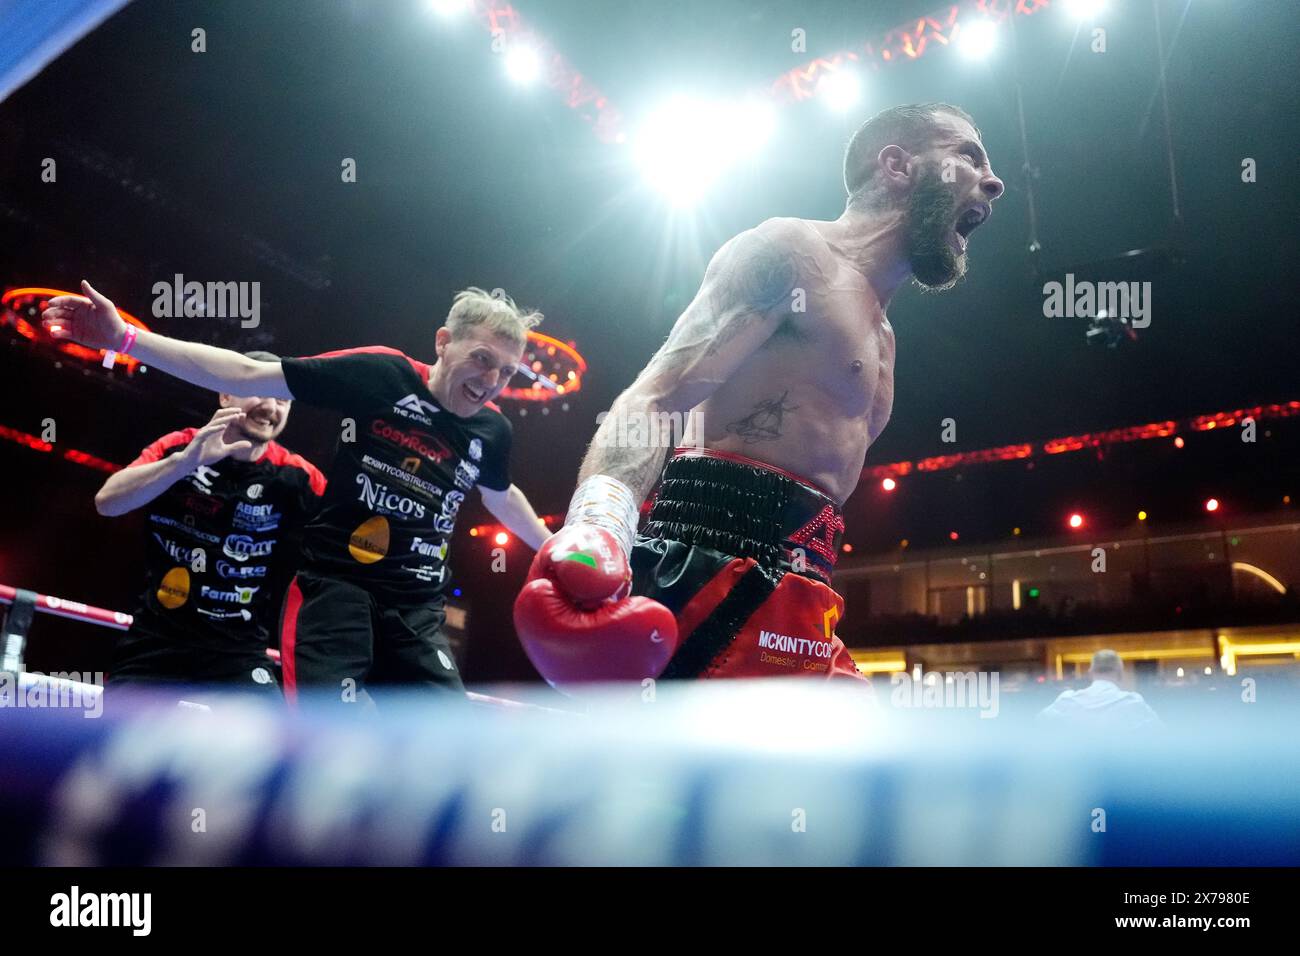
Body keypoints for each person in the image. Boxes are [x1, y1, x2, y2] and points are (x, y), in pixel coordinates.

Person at [515, 103, 1005, 687]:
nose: (994, 181)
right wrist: (601, 523)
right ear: (897, 165)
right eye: (967, 156)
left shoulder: (885, 335)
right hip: (709, 576)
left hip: (808, 593)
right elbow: (656, 397)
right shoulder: (793, 253)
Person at [44, 285, 551, 704]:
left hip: (415, 608)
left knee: (446, 742)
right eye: (482, 359)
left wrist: (559, 547)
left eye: (506, 373)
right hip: (334, 594)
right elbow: (242, 373)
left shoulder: (492, 431)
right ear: (443, 342)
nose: (490, 382)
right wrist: (127, 338)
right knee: (331, 734)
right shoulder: (381, 374)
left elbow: (500, 496)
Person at [95, 352, 325, 696]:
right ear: (225, 394)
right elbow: (107, 503)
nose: (270, 407)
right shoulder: (181, 446)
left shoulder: (298, 476)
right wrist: (186, 462)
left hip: (239, 652)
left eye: (282, 399)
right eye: (261, 391)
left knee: (274, 741)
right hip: (157, 640)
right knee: (110, 741)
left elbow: (348, 532)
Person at [1038, 649, 1163, 731]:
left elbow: (1038, 726)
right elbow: (1160, 735)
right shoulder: (1134, 703)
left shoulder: (1066, 701)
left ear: (1090, 673)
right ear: (1120, 673)